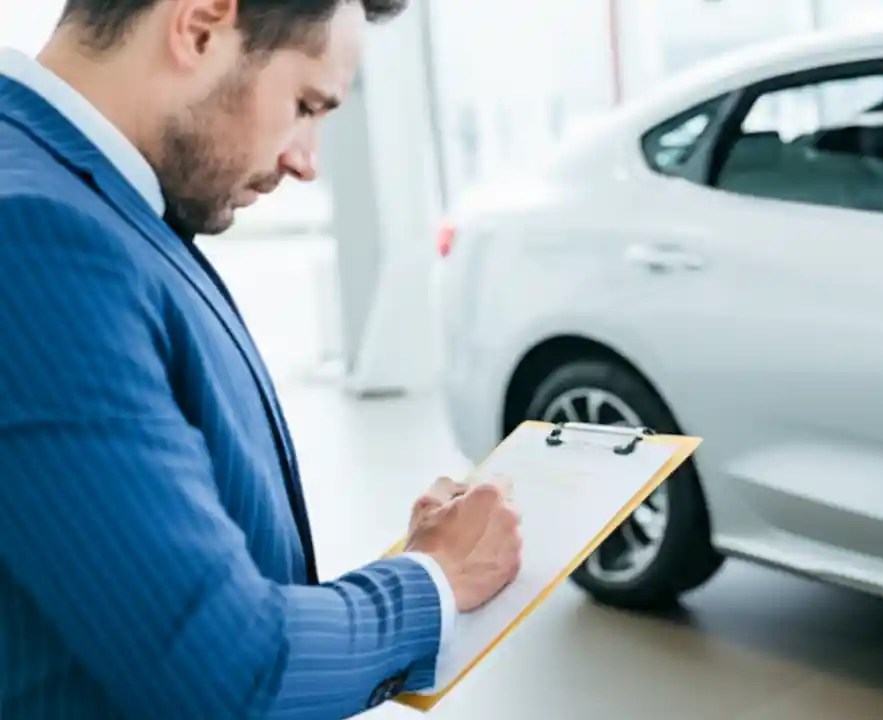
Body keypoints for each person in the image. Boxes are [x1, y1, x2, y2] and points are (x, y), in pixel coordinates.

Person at [0, 1, 522, 717]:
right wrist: (436, 579)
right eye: (306, 105)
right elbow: (218, 670)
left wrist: (408, 571)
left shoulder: (82, 193)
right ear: (201, 26)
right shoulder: (36, 234)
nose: (305, 161)